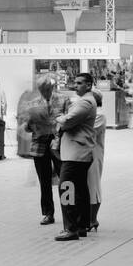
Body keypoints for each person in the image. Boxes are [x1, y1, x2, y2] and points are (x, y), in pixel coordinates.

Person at [54, 72, 96, 241]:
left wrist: (57, 117)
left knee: (66, 188)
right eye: (75, 82)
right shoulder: (85, 101)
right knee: (79, 189)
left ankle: (70, 228)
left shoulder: (85, 102)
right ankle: (81, 225)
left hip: (75, 152)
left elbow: (68, 121)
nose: (75, 85)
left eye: (79, 83)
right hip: (78, 152)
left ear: (88, 85)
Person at [21, 78, 62, 225]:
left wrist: (54, 124)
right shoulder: (33, 104)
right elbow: (25, 127)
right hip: (39, 145)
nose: (44, 91)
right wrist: (31, 123)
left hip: (58, 145)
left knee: (64, 179)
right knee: (44, 181)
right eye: (41, 89)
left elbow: (69, 121)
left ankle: (68, 211)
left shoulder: (63, 101)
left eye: (46, 88)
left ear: (52, 87)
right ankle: (48, 213)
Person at [87, 89, 106, 232]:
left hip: (94, 154)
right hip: (83, 153)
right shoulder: (89, 114)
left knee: (93, 185)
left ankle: (93, 219)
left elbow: (86, 130)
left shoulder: (99, 115)